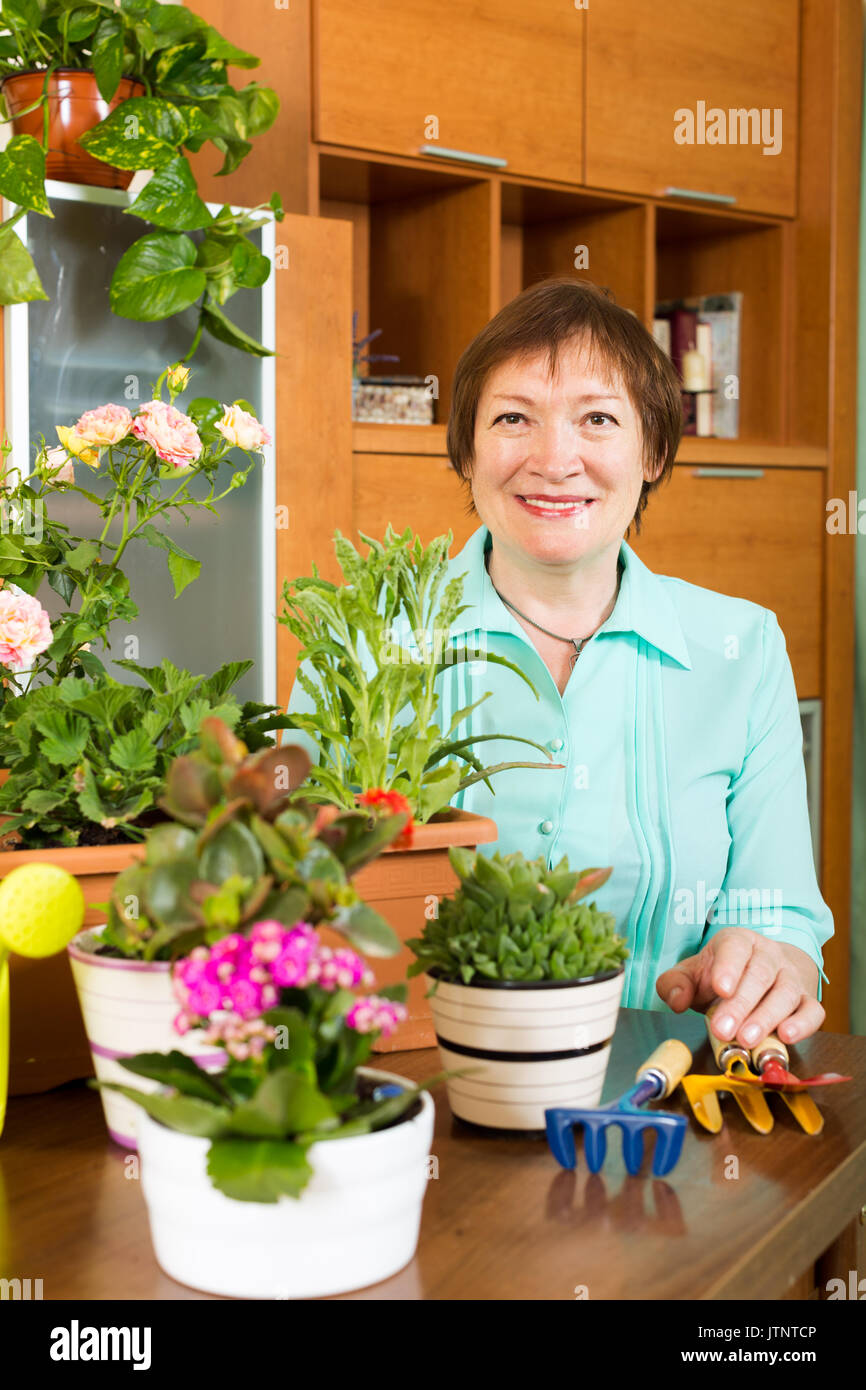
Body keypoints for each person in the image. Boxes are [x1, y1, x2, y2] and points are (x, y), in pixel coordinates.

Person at [292, 276, 832, 1048]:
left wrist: (766, 962)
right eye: (514, 417)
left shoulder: (741, 648)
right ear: (467, 450)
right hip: (416, 1080)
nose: (554, 460)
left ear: (651, 452)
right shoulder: (363, 641)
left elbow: (777, 912)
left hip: (668, 1094)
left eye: (598, 419)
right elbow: (294, 894)